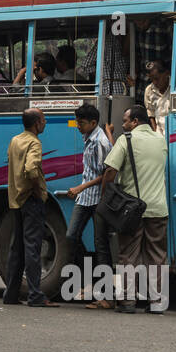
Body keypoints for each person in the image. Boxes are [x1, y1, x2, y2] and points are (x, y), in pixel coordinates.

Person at [100, 104, 169, 313]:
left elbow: (111, 170)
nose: (123, 125)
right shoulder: (160, 139)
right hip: (158, 208)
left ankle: (128, 301)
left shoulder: (126, 140)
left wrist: (106, 196)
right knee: (157, 257)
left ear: (135, 122)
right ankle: (157, 303)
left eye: (125, 121)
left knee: (128, 255)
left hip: (133, 210)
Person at [3, 108, 60, 307]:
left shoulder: (15, 140)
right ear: (36, 123)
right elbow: (31, 169)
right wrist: (37, 191)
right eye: (43, 120)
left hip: (16, 199)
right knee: (32, 248)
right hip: (30, 199)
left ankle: (11, 294)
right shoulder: (34, 142)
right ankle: (35, 295)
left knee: (16, 248)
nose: (45, 123)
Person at [61, 104, 113, 307]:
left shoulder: (100, 142)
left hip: (97, 198)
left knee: (101, 245)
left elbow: (107, 174)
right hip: (84, 199)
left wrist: (81, 187)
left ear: (93, 123)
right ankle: (90, 278)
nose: (77, 126)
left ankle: (106, 293)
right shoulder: (91, 138)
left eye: (81, 123)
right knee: (71, 236)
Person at [143, 59, 171, 135]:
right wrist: (156, 134)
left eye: (156, 78)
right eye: (151, 80)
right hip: (159, 135)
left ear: (166, 74)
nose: (154, 82)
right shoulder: (149, 91)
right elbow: (151, 114)